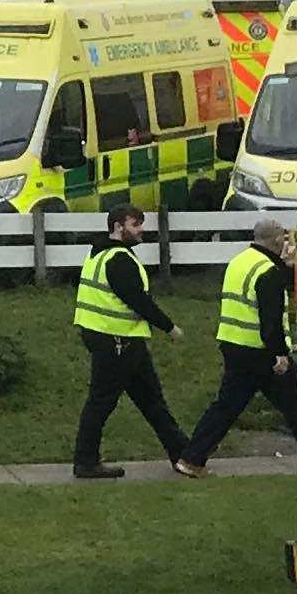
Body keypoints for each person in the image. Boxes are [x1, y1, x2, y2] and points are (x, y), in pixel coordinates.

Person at [68, 203, 195, 479]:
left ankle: (183, 454)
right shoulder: (120, 260)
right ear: (118, 227)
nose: (141, 230)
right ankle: (85, 461)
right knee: (103, 402)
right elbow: (139, 301)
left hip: (112, 338)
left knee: (151, 400)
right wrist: (170, 327)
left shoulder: (98, 254)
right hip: (117, 339)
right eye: (135, 224)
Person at [179, 223, 297, 474]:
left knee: (226, 406)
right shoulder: (268, 271)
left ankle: (192, 458)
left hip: (233, 343)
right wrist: (279, 353)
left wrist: (288, 266)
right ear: (275, 241)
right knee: (295, 405)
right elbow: (270, 318)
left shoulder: (240, 261)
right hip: (260, 351)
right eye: (284, 239)